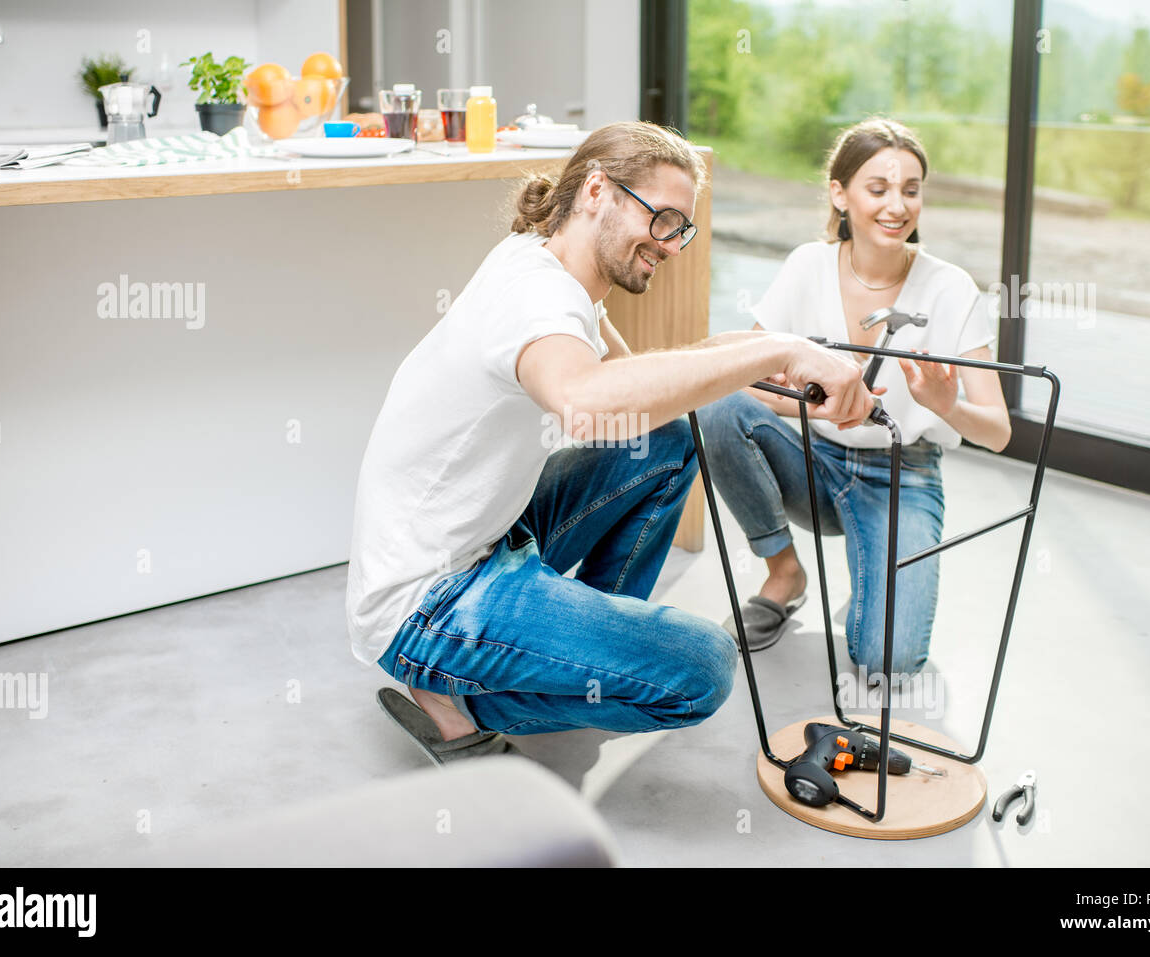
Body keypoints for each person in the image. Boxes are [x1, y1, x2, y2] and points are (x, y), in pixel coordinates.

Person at [345, 120, 878, 760]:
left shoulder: (546, 261)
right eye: (663, 220)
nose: (672, 245)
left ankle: (566, 647)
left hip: (485, 540)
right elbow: (588, 405)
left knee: (668, 441)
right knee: (702, 668)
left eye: (681, 229)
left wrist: (775, 363)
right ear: (597, 189)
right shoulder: (535, 295)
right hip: (427, 601)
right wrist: (781, 345)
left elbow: (643, 400)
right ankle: (459, 694)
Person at [695, 117, 1011, 678]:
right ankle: (784, 573)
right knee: (716, 409)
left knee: (888, 663)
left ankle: (876, 584)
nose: (898, 206)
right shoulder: (807, 266)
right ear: (840, 194)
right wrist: (808, 405)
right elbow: (739, 373)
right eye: (879, 188)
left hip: (903, 476)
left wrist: (947, 406)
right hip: (815, 463)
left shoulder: (950, 287)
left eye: (911, 191)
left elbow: (997, 431)